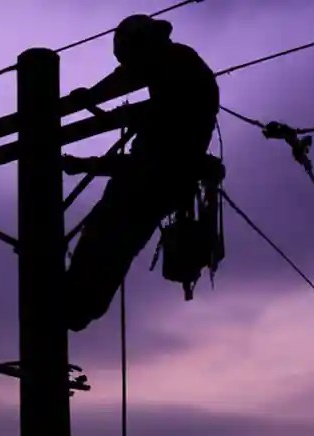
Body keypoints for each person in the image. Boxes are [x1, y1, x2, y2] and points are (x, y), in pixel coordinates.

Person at [61, 15, 219, 331]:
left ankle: (75, 307)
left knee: (108, 238)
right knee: (114, 240)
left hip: (155, 182)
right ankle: (76, 306)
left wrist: (87, 159)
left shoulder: (174, 68)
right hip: (162, 183)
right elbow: (128, 79)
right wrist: (93, 100)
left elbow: (149, 163)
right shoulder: (175, 70)